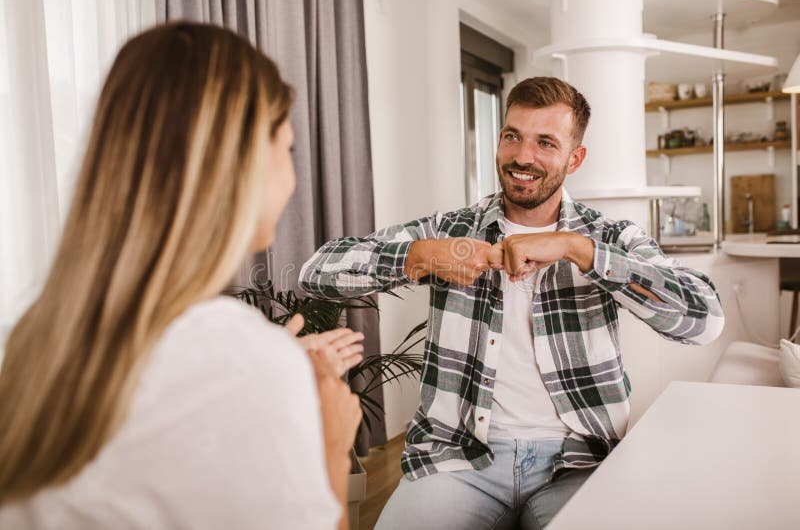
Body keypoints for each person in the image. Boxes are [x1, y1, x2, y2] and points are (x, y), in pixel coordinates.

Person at [299, 76, 725, 529]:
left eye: (546, 142)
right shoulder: (450, 228)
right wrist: (418, 256)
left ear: (574, 158)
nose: (523, 156)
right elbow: (316, 272)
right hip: (458, 457)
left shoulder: (608, 238)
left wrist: (578, 251)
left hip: (578, 462)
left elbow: (704, 319)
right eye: (512, 137)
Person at [0, 23, 364, 530]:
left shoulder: (32, 337)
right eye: (288, 149)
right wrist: (329, 445)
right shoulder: (246, 363)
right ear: (241, 165)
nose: (293, 176)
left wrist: (264, 369)